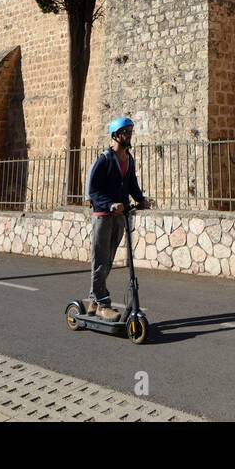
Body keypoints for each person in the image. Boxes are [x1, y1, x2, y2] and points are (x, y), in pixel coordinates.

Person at [85, 116, 150, 319]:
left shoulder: (128, 159)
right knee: (100, 261)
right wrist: (110, 204)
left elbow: (132, 185)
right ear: (115, 135)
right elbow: (92, 191)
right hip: (103, 216)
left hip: (120, 216)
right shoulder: (104, 160)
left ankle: (94, 300)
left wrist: (141, 199)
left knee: (108, 260)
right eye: (126, 132)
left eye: (130, 132)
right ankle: (103, 304)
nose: (129, 136)